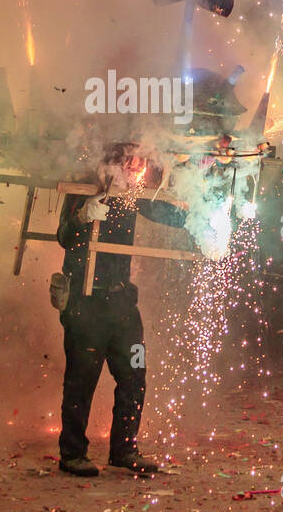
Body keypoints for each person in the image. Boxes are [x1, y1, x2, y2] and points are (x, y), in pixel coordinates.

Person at [54, 148, 186, 477]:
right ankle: (72, 454)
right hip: (85, 302)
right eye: (130, 158)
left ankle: (124, 449)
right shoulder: (82, 185)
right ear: (113, 157)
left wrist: (203, 216)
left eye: (140, 159)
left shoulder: (132, 192)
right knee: (81, 380)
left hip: (122, 303)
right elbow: (63, 235)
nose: (136, 166)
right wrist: (83, 215)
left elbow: (166, 214)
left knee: (134, 376)